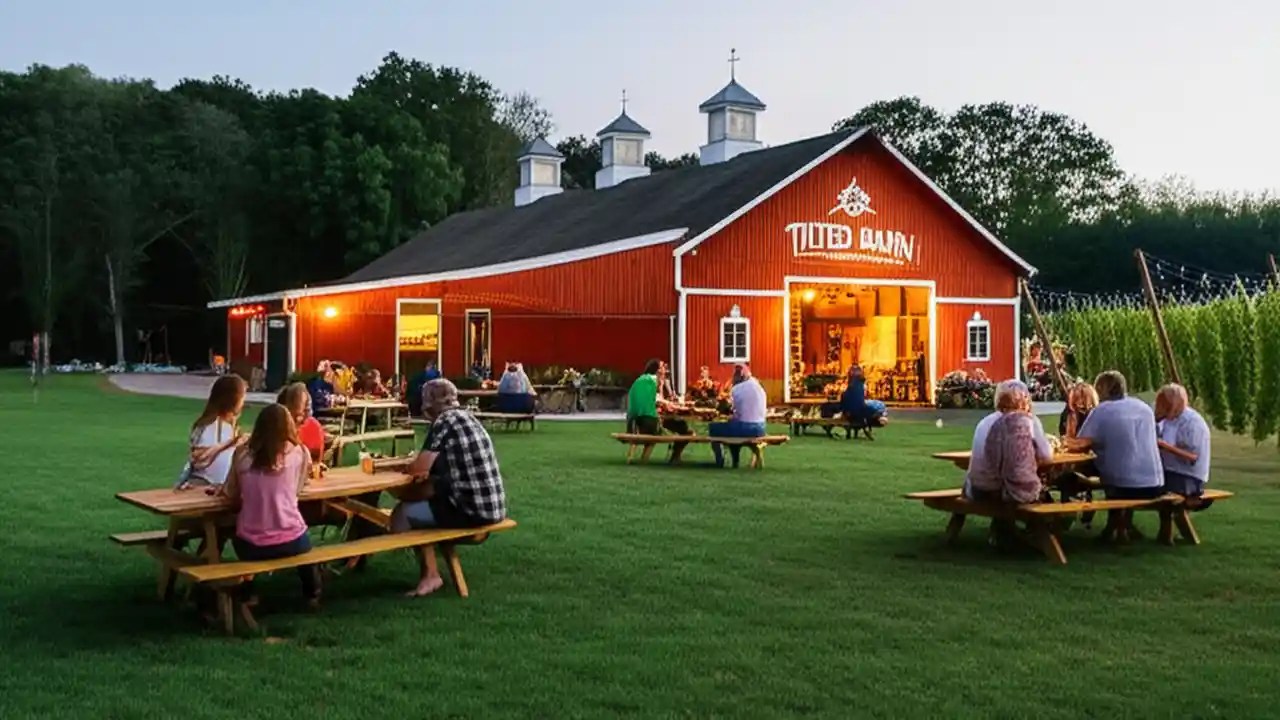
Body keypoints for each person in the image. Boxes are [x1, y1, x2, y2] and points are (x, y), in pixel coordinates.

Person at [393, 379, 507, 597]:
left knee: (404, 512)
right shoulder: (467, 418)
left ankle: (430, 576)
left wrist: (405, 467)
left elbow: (419, 468)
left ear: (429, 404)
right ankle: (431, 574)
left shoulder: (444, 421)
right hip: (493, 508)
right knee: (423, 500)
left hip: (472, 512)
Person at [221, 403, 319, 610]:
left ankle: (249, 592)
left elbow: (231, 493)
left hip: (252, 545)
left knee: (231, 529)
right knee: (301, 534)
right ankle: (312, 592)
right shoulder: (299, 453)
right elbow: (297, 490)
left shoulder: (242, 455)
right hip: (293, 540)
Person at [1066, 371, 1164, 540]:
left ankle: (1113, 527)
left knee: (1080, 475)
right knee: (1122, 467)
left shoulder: (1102, 410)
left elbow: (1081, 445)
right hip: (1155, 483)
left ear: (1102, 389)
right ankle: (1121, 527)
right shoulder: (1144, 408)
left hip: (1122, 486)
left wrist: (1064, 442)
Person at [177, 375, 248, 489]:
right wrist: (230, 443)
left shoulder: (228, 427)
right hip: (205, 484)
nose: (243, 403)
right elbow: (199, 459)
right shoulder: (208, 426)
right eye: (242, 398)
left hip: (222, 487)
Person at [1155, 383, 1213, 509]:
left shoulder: (1192, 423)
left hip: (1188, 477)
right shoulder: (1169, 420)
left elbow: (1192, 457)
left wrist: (1164, 446)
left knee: (1145, 488)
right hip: (1169, 471)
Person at [708, 364, 767, 468]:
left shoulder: (737, 389)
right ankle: (735, 461)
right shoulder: (758, 386)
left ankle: (719, 460)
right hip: (761, 428)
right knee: (733, 431)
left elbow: (733, 410)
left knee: (713, 428)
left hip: (745, 428)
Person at [278, 382, 327, 463]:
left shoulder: (313, 428)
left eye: (307, 411)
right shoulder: (274, 428)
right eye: (298, 414)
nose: (302, 418)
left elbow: (316, 464)